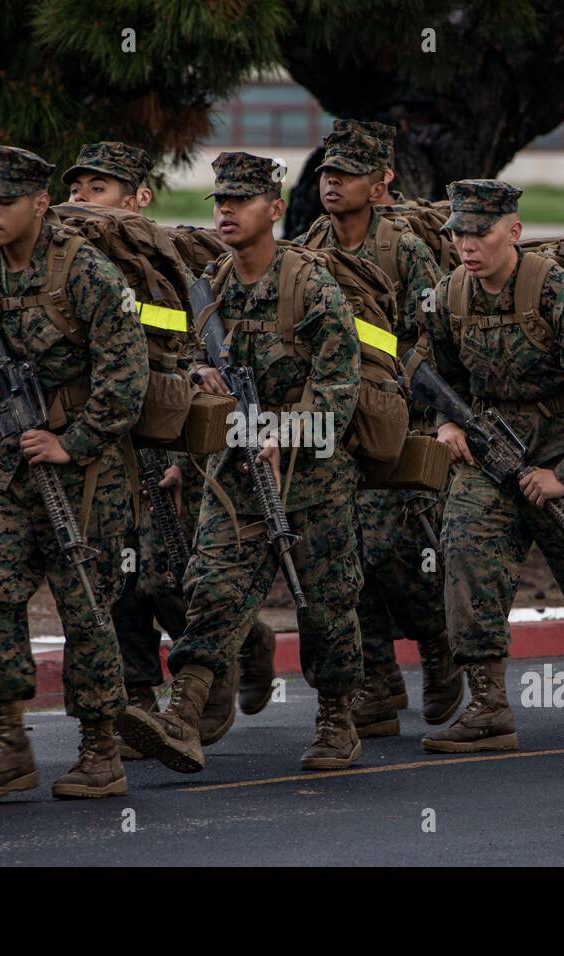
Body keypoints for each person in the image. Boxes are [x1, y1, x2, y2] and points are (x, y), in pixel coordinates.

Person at [117, 151, 365, 772]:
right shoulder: (211, 289)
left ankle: (337, 717)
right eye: (220, 202)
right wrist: (187, 438)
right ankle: (183, 714)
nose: (226, 211)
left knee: (327, 599)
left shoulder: (310, 286)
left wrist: (287, 430)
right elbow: (187, 371)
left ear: (275, 210)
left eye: (241, 201)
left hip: (313, 474)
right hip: (233, 471)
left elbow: (340, 392)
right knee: (213, 588)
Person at [0, 143, 148, 799]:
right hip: (5, 466)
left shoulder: (85, 273)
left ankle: (99, 752)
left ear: (39, 202)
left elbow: (127, 378)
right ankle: (9, 744)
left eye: (3, 200)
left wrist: (71, 442)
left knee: (86, 608)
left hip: (83, 471)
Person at [418, 179, 564, 754]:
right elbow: (436, 371)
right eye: (459, 234)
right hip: (488, 450)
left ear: (513, 232)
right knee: (467, 553)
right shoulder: (450, 295)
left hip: (563, 449)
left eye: (480, 233)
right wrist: (444, 423)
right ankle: (489, 706)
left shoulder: (557, 294)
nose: (467, 245)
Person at [61, 140, 274, 749]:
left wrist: (184, 457)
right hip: (98, 439)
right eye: (77, 187)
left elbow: (204, 362)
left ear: (138, 199)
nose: (82, 199)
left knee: (166, 576)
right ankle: (137, 702)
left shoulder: (162, 265)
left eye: (98, 189)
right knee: (113, 579)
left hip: (161, 439)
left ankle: (230, 651)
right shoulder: (63, 264)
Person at [296, 119, 460, 737]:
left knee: (396, 550)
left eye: (346, 175)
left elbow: (430, 338)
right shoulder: (313, 240)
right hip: (340, 418)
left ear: (380, 182)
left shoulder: (402, 248)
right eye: (326, 175)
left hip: (399, 417)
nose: (332, 185)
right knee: (343, 551)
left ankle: (440, 647)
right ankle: (377, 682)